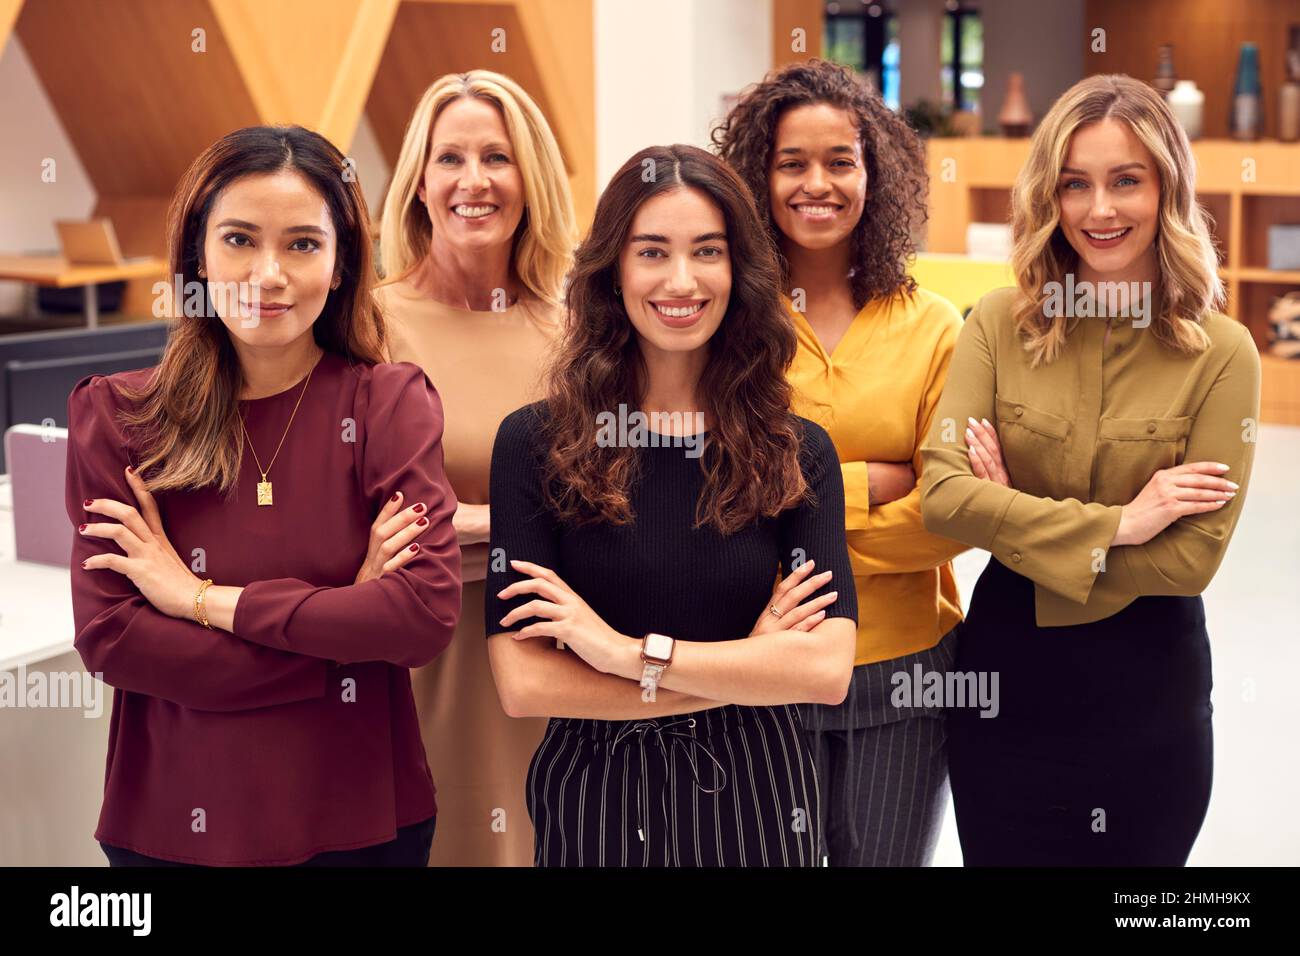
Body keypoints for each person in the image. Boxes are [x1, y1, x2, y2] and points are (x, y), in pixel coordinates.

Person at [65, 125, 461, 867]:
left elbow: (420, 618)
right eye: (240, 239)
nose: (268, 273)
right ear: (197, 255)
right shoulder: (116, 420)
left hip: (362, 821)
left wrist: (197, 600)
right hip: (171, 824)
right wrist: (343, 633)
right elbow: (113, 640)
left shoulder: (389, 405)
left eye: (303, 244)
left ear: (342, 263)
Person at [484, 144, 859, 867]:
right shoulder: (533, 443)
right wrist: (748, 666)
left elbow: (824, 672)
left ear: (738, 271)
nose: (681, 280)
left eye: (707, 252)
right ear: (613, 271)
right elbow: (526, 684)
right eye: (652, 251)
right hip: (594, 794)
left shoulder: (799, 450)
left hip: (759, 790)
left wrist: (626, 655)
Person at [919, 74, 1260, 865]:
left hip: (1149, 694)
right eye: (1076, 184)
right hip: (1007, 682)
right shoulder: (997, 324)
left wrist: (1008, 517)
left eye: (1126, 181)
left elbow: (1188, 560)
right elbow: (943, 499)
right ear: (1051, 195)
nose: (1099, 210)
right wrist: (1122, 524)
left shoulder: (1224, 354)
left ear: (1167, 187)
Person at [714, 58, 966, 866]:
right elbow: (712, 506)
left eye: (839, 161)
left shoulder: (934, 327)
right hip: (758, 659)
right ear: (759, 175)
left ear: (875, 172)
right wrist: (878, 481)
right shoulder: (723, 321)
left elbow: (951, 515)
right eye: (791, 163)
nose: (814, 184)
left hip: (903, 672)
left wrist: (804, 514)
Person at [375, 69, 577, 867]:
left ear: (530, 178)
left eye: (497, 156)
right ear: (419, 182)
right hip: (418, 664)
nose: (474, 180)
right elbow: (360, 521)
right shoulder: (368, 323)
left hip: (555, 656)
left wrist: (458, 526)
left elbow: (616, 507)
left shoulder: (574, 331)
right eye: (449, 157)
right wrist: (524, 527)